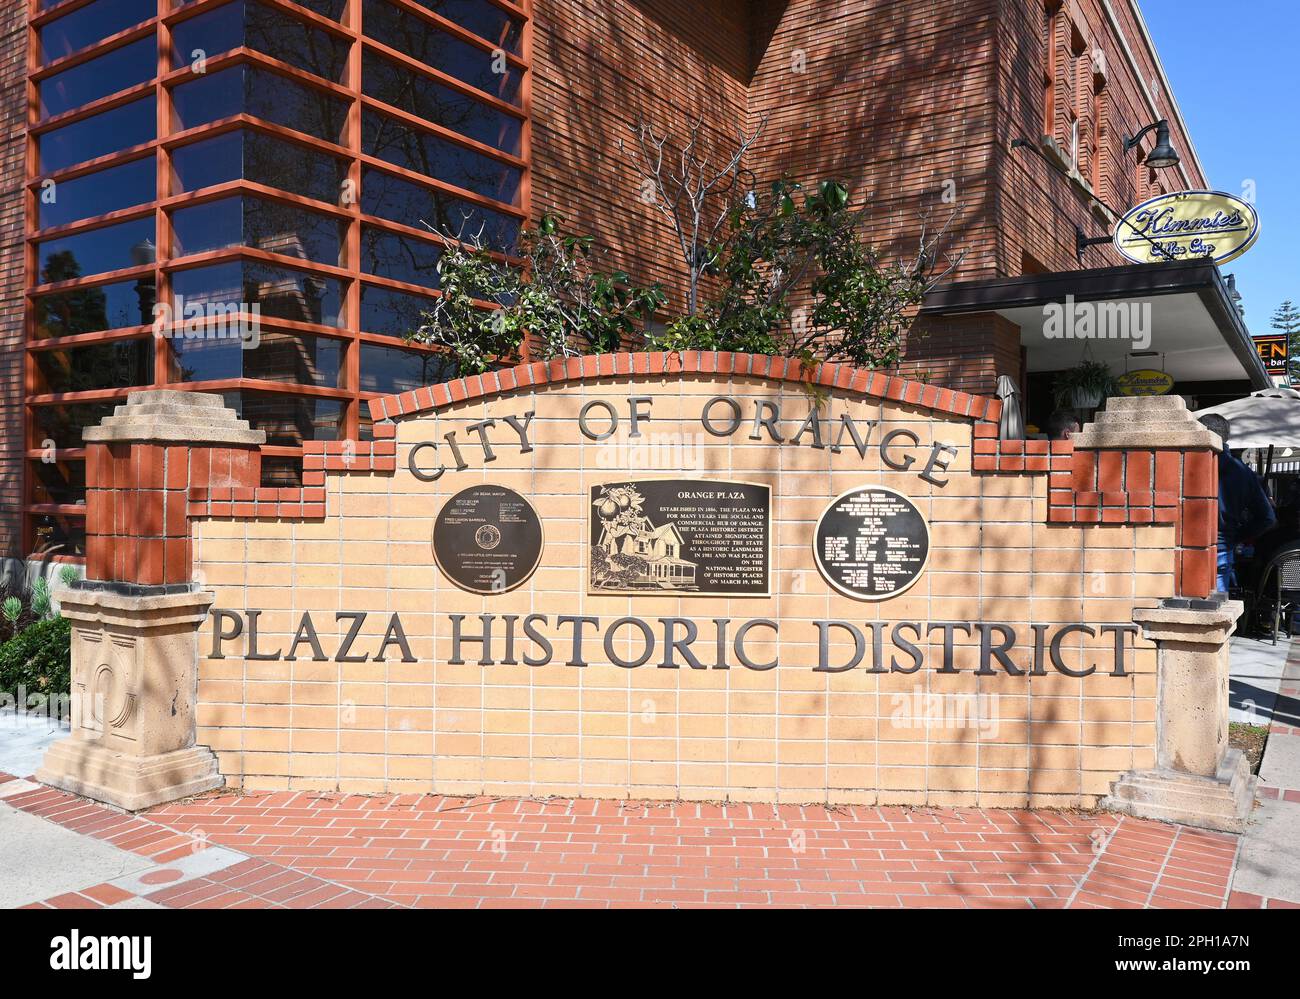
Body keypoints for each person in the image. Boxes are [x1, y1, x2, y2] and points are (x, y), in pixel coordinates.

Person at [1198, 414, 1276, 593]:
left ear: (1201, 433)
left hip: (1180, 548)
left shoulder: (1185, 463)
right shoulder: (1243, 472)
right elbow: (1268, 518)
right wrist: (1234, 536)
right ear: (1227, 437)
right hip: (1222, 549)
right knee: (1216, 612)